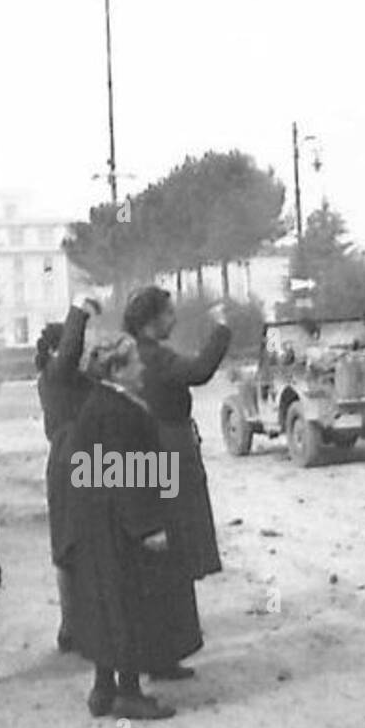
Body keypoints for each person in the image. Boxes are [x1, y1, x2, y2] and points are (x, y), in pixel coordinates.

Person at [59, 332, 202, 720]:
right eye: (135, 362)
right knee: (129, 607)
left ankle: (103, 689)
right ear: (117, 370)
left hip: (100, 523)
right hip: (121, 526)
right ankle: (129, 693)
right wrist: (148, 527)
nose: (142, 368)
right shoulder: (117, 410)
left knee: (108, 607)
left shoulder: (101, 403)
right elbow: (128, 477)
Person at [122, 285, 231, 679]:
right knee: (172, 551)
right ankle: (163, 653)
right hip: (170, 451)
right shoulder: (155, 356)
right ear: (152, 320)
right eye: (168, 314)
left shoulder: (140, 353)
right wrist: (220, 329)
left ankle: (165, 654)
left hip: (161, 449)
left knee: (168, 555)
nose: (173, 320)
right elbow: (201, 371)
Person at [35, 296, 100, 651]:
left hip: (66, 461)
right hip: (74, 460)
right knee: (76, 544)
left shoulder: (60, 378)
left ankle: (73, 624)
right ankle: (75, 626)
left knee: (68, 544)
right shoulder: (60, 375)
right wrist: (79, 310)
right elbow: (73, 349)